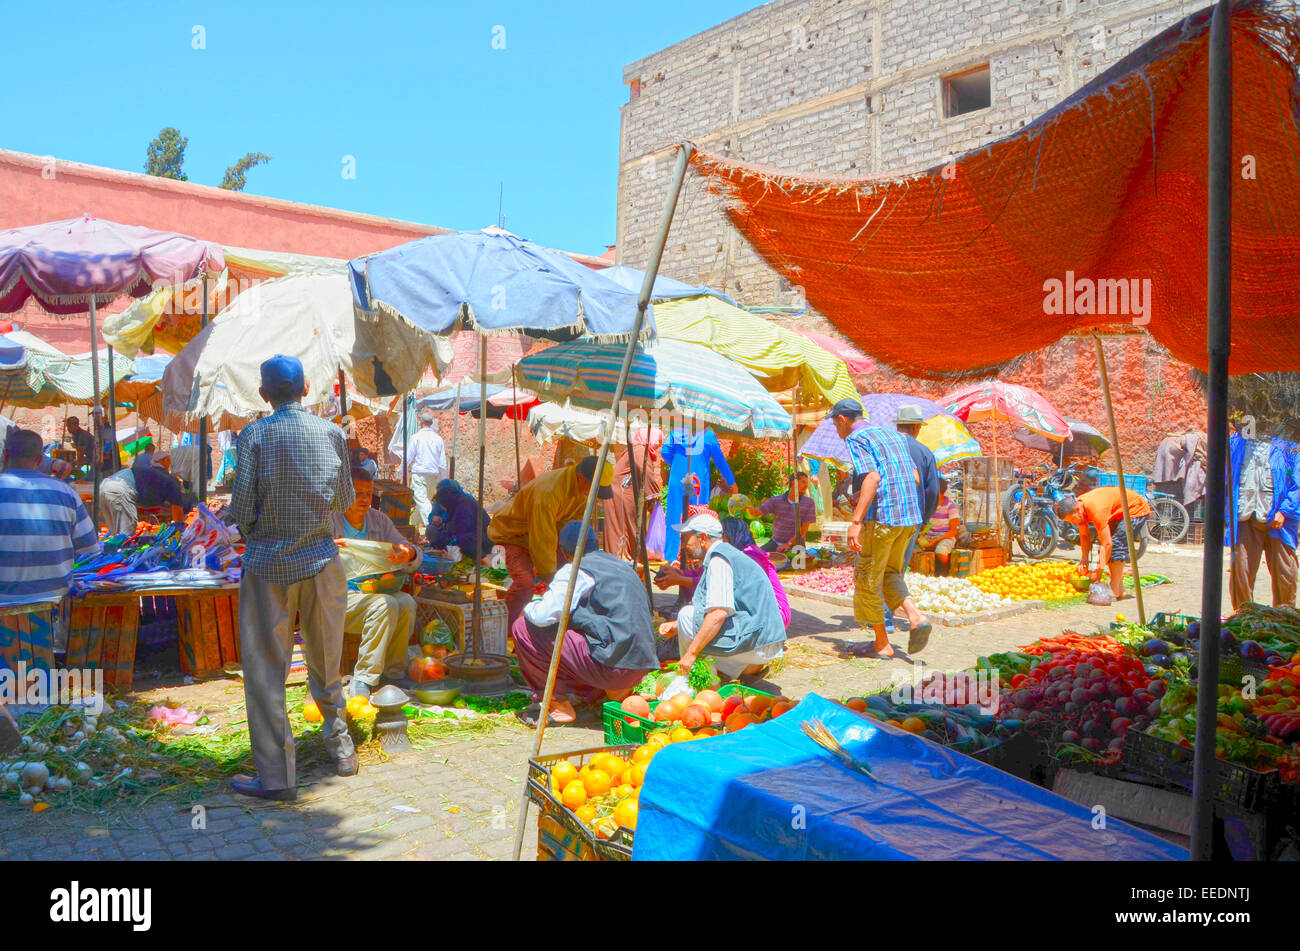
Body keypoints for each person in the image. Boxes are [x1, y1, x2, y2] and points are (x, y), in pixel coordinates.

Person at [229, 355, 357, 801]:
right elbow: (344, 500)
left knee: (266, 671)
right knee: (327, 662)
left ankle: (277, 776)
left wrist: (258, 530)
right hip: (323, 561)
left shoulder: (254, 435)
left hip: (267, 566)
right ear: (305, 388)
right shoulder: (332, 432)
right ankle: (342, 750)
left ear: (264, 395)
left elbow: (242, 509)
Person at [512, 521, 658, 725]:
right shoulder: (620, 565)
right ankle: (592, 695)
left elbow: (542, 616)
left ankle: (559, 705)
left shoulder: (576, 570)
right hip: (640, 665)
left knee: (524, 627)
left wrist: (528, 608)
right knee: (572, 624)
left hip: (614, 668)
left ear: (563, 551)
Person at [832, 398, 929, 657]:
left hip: (883, 519)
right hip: (909, 519)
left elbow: (873, 477)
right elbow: (916, 476)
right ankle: (916, 616)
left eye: (835, 424)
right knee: (890, 574)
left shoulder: (856, 438)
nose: (836, 431)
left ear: (842, 420)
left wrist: (856, 521)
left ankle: (882, 644)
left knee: (866, 579)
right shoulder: (891, 434)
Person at [487, 455, 614, 625]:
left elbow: (573, 527)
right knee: (525, 583)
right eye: (595, 488)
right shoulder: (549, 492)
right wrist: (550, 578)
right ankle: (508, 628)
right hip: (511, 536)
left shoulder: (583, 490)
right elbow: (542, 538)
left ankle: (561, 623)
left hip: (544, 534)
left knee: (570, 575)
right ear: (581, 477)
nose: (595, 495)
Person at [657, 513, 785, 681]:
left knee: (687, 615)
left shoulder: (719, 560)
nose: (683, 546)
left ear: (702, 538)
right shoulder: (725, 554)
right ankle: (734, 672)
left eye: (686, 539)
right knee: (690, 620)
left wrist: (690, 654)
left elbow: (718, 614)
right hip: (765, 638)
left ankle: (694, 678)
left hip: (760, 641)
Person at [331, 467, 421, 699]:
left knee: (406, 602)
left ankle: (393, 673)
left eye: (368, 494)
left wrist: (407, 553)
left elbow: (408, 549)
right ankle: (364, 678)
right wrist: (329, 548)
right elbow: (308, 557)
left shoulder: (379, 521)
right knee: (385, 604)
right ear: (343, 493)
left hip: (372, 591)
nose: (363, 500)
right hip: (337, 600)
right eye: (357, 493)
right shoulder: (329, 520)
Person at [0, 429, 101, 605]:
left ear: (6, 454)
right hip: (52, 605)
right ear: (40, 460)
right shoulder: (66, 493)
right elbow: (90, 549)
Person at [1226, 429, 1299, 608]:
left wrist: (1284, 511)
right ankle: (1243, 615)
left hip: (1279, 519)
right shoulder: (1236, 442)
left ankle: (1284, 616)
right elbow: (1225, 477)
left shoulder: (1288, 443)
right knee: (1241, 571)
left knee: (1285, 573)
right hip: (1246, 515)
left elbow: (1298, 482)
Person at [1056, 486, 1153, 601]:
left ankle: (1114, 589)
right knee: (1106, 549)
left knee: (1116, 545)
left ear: (1077, 509)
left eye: (1072, 520)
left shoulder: (1096, 510)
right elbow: (1084, 536)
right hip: (1118, 512)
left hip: (1135, 508)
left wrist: (1099, 571)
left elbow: (1107, 544)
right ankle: (1119, 588)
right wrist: (1084, 559)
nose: (1073, 523)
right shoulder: (1080, 511)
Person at [661, 428, 736, 562]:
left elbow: (665, 451)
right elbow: (720, 461)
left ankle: (672, 556)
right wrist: (731, 482)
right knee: (697, 516)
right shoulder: (708, 435)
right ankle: (694, 555)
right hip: (698, 482)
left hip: (678, 480)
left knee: (675, 516)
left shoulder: (676, 431)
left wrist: (678, 465)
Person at [604, 430, 664, 561]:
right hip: (622, 497)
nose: (659, 444)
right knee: (625, 530)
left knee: (629, 528)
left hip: (623, 495)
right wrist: (655, 499)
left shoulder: (637, 450)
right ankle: (623, 562)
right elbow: (645, 473)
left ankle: (624, 560)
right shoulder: (640, 451)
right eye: (658, 440)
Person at [893, 404, 941, 568]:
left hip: (885, 515)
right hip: (912, 517)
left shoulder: (885, 447)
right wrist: (925, 518)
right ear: (916, 426)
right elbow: (933, 491)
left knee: (883, 564)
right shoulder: (924, 452)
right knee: (899, 566)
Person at [721, 516, 791, 627]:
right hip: (769, 608)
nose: (720, 541)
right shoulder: (747, 551)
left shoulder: (748, 556)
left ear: (731, 534)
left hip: (776, 612)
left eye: (722, 536)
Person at [98, 451, 188, 535]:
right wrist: (179, 533)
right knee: (125, 537)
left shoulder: (156, 476)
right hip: (120, 489)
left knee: (116, 537)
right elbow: (178, 517)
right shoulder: (173, 486)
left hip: (105, 485)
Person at [752, 473, 817, 553]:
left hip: (796, 545)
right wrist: (747, 508)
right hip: (775, 542)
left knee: (789, 564)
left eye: (807, 483)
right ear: (794, 482)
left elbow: (803, 529)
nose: (806, 486)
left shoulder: (809, 503)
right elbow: (757, 512)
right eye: (803, 482)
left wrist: (788, 544)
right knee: (756, 556)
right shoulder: (776, 501)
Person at [425, 479, 491, 555]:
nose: (444, 508)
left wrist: (451, 541)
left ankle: (483, 559)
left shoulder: (465, 505)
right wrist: (435, 544)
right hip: (463, 533)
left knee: (463, 540)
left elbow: (464, 529)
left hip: (480, 537)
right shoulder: (454, 503)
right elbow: (451, 528)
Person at [407, 409, 448, 527]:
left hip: (419, 474)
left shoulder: (416, 437)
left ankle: (434, 526)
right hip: (433, 476)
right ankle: (411, 524)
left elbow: (408, 457)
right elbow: (442, 462)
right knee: (423, 502)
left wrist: (401, 472)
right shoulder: (438, 439)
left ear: (421, 422)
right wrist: (443, 480)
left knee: (423, 502)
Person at [917, 477, 962, 573]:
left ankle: (944, 571)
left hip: (945, 538)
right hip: (929, 538)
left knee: (941, 551)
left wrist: (936, 540)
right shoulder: (927, 506)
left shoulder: (950, 506)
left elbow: (953, 531)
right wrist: (922, 536)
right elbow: (924, 526)